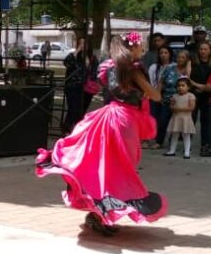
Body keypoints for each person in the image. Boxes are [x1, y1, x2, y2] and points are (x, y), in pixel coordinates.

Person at [36, 32, 165, 236]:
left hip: (110, 117)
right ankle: (99, 215)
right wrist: (151, 89)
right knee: (119, 169)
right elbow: (156, 96)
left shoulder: (113, 66)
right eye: (141, 45)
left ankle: (99, 213)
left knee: (106, 167)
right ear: (133, 47)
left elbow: (111, 88)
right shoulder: (133, 70)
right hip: (124, 121)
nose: (143, 49)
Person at [62, 37, 97, 135]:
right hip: (72, 86)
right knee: (73, 108)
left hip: (86, 88)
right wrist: (76, 52)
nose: (82, 45)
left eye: (84, 43)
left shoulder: (92, 58)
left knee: (82, 110)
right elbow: (66, 63)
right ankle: (67, 128)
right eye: (80, 43)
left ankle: (77, 130)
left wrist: (88, 62)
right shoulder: (73, 55)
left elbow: (94, 72)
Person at [189, 41, 211, 156]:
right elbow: (187, 77)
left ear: (210, 51)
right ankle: (187, 144)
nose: (203, 51)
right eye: (201, 49)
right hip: (194, 94)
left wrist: (204, 88)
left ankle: (205, 146)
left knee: (207, 123)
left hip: (208, 96)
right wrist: (197, 86)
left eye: (205, 49)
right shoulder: (192, 62)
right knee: (191, 121)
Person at [146, 45, 174, 148]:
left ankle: (159, 141)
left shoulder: (174, 67)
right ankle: (149, 139)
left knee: (163, 119)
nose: (163, 55)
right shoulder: (154, 67)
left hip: (167, 96)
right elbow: (151, 81)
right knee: (152, 118)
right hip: (154, 94)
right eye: (161, 53)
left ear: (170, 54)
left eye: (166, 53)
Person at [164, 78, 197, 159]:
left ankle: (187, 152)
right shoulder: (175, 96)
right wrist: (173, 108)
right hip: (176, 118)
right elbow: (171, 106)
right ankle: (172, 150)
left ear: (188, 87)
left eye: (183, 85)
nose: (180, 87)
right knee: (174, 135)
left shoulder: (190, 96)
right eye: (179, 86)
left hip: (186, 119)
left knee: (186, 135)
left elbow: (192, 107)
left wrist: (178, 109)